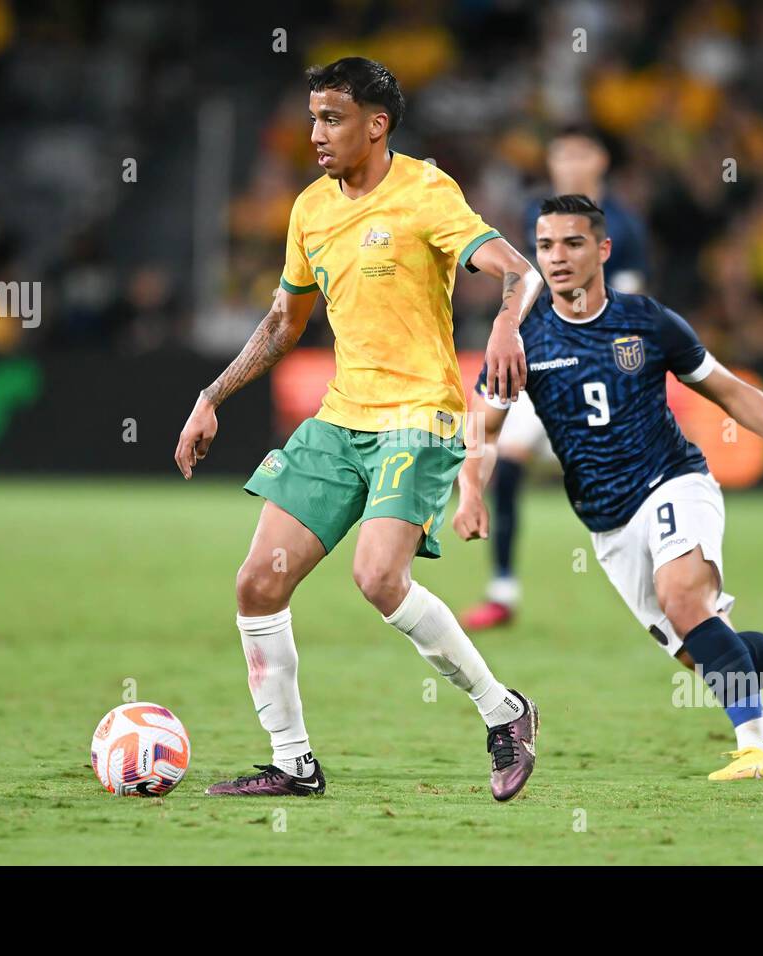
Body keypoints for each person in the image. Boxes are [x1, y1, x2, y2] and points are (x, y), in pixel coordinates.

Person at [174, 58, 545, 801]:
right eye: (312, 117)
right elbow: (286, 320)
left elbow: (520, 270)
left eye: (332, 118)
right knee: (257, 583)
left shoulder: (426, 190)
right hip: (343, 418)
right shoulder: (310, 209)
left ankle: (504, 713)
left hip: (420, 417)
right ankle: (293, 763)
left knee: (378, 577)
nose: (315, 133)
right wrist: (211, 394)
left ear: (376, 125)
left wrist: (506, 325)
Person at [454, 195, 763, 781]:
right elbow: (483, 425)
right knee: (702, 648)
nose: (557, 257)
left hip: (672, 480)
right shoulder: (524, 340)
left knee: (686, 601)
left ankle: (758, 747)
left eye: (573, 243)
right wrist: (471, 491)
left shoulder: (648, 322)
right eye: (546, 245)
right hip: (607, 522)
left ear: (603, 250)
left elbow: (730, 391)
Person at [461, 126, 650, 630]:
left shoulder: (626, 226)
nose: (568, 163)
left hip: (600, 365)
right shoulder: (534, 214)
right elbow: (528, 279)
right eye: (560, 154)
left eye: (578, 153)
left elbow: (630, 301)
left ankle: (663, 571)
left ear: (601, 159)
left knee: (616, 482)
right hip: (543, 359)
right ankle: (502, 590)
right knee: (508, 457)